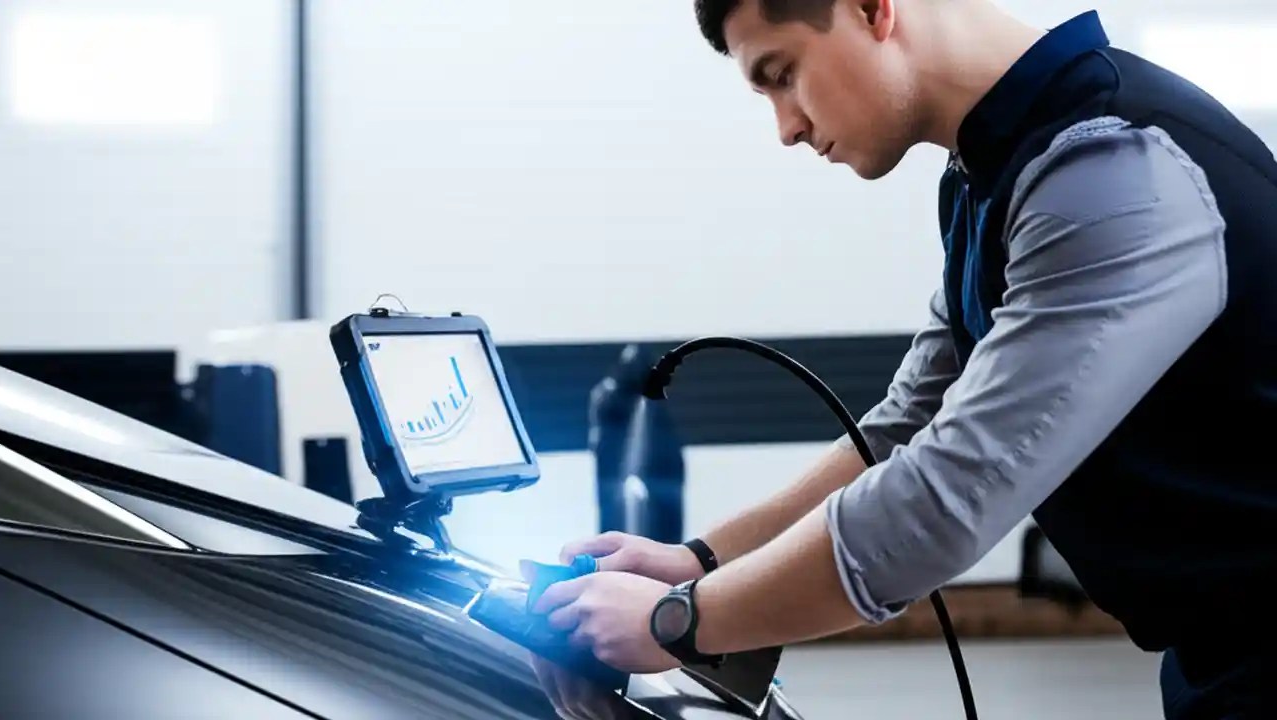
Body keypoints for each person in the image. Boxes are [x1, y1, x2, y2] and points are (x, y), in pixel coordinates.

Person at [531, 1, 1277, 717]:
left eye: (782, 73)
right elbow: (903, 428)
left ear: (871, 7)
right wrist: (698, 561)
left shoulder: (1116, 169)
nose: (786, 128)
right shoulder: (995, 171)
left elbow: (948, 490)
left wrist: (677, 621)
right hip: (1218, 657)